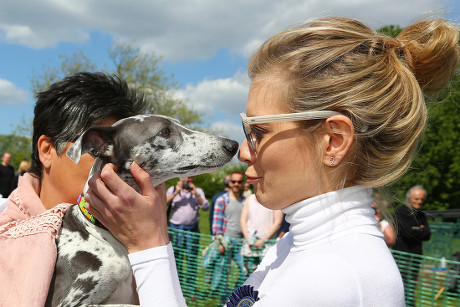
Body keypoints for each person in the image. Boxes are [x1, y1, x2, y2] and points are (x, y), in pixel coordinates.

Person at [84, 17, 459, 306]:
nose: (244, 151)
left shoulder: (336, 274)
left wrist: (149, 245)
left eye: (259, 131)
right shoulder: (303, 246)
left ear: (333, 140)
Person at [0, 72, 147, 306]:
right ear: (47, 150)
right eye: (97, 146)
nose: (116, 165)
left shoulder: (141, 245)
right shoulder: (5, 235)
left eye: (125, 151)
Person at [166, 176, 208, 296]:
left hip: (192, 230)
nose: (188, 180)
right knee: (176, 259)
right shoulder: (173, 189)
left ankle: (190, 289)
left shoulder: (198, 191)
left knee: (192, 259)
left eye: (190, 178)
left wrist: (195, 194)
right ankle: (176, 288)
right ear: (180, 177)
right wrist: (176, 192)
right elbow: (163, 202)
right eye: (185, 177)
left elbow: (205, 207)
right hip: (176, 230)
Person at [211, 171, 247, 301]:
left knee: (245, 270)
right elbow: (216, 223)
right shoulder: (222, 200)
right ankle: (224, 299)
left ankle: (235, 295)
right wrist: (220, 242)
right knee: (223, 271)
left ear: (243, 183)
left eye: (239, 181)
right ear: (229, 183)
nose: (236, 184)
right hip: (226, 240)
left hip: (241, 242)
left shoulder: (246, 201)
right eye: (234, 181)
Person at [393, 185, 432, 306]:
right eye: (416, 199)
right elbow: (407, 233)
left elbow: (428, 235)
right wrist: (420, 229)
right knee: (402, 286)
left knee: (412, 285)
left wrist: (417, 230)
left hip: (416, 256)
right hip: (403, 255)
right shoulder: (400, 212)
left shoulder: (421, 214)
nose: (419, 202)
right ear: (409, 198)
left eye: (421, 199)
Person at [240, 194, 283, 273]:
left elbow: (278, 222)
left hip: (267, 245)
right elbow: (243, 220)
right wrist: (248, 239)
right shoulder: (249, 199)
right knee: (247, 275)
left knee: (265, 274)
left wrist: (263, 240)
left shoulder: (275, 198)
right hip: (250, 244)